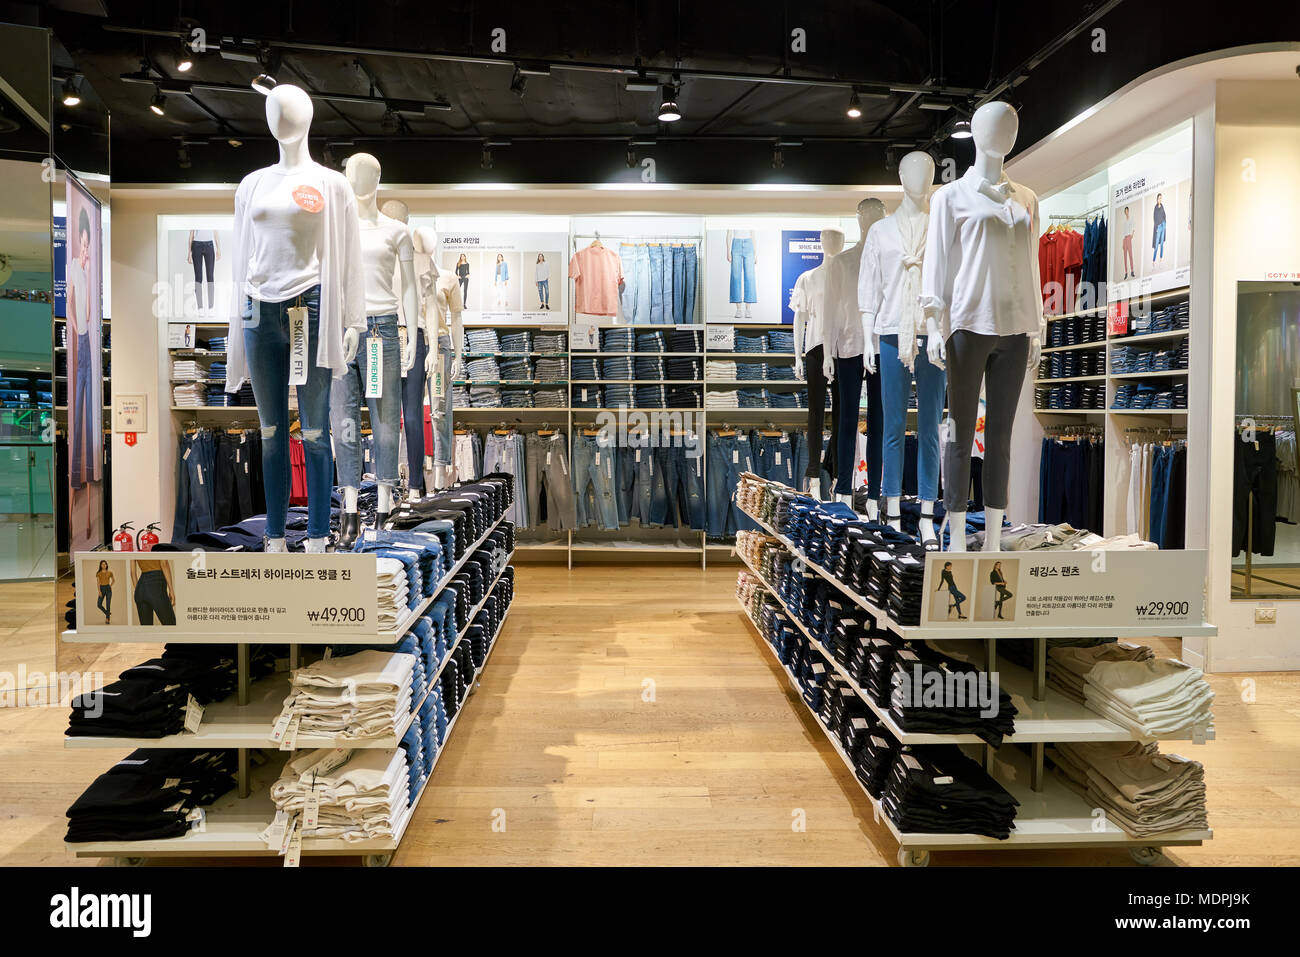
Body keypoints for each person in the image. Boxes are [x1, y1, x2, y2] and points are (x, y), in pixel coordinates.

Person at [131, 558, 176, 626]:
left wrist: (139, 589)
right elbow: (164, 564)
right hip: (156, 585)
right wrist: (171, 590)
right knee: (171, 625)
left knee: (146, 630)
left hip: (140, 587)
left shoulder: (135, 548)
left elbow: (132, 573)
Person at [1121, 206, 1135, 279]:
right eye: (1125, 211)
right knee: (1125, 256)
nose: (1126, 212)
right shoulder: (1124, 221)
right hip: (1125, 238)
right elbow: (1123, 232)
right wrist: (1123, 242)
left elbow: (1133, 227)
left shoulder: (1131, 219)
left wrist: (1132, 234)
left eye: (1127, 210)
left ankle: (1132, 271)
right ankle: (1126, 272)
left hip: (1129, 237)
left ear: (1128, 211)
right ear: (1124, 212)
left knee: (1130, 254)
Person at [1152, 193, 1167, 262]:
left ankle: (1161, 258)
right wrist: (1157, 227)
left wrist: (1165, 223)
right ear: (1157, 199)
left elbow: (1164, 215)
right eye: (1159, 198)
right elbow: (1154, 218)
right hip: (1158, 227)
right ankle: (1154, 260)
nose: (1160, 199)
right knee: (1156, 244)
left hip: (1163, 225)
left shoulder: (1162, 206)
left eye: (1161, 198)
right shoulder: (1155, 208)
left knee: (1161, 243)